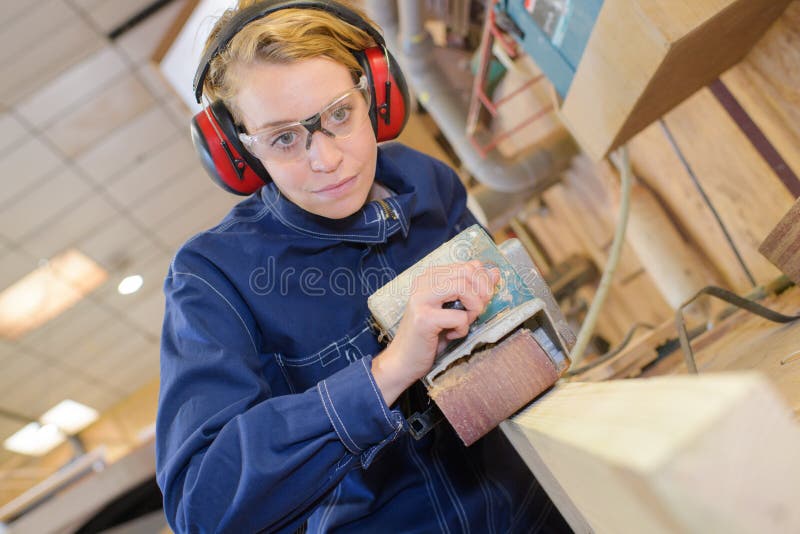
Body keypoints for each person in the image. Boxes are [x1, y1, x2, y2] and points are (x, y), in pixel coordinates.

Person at [156, 1, 571, 532]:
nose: (326, 160)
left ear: (376, 93)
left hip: (538, 513)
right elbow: (201, 507)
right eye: (284, 138)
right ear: (239, 150)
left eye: (338, 115)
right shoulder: (213, 278)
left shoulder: (429, 185)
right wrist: (386, 373)